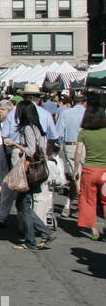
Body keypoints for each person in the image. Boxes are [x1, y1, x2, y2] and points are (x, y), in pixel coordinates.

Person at [4, 100, 57, 251]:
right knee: (24, 204)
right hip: (37, 170)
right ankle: (41, 234)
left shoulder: (28, 128)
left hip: (30, 171)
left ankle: (36, 237)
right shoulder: (36, 127)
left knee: (23, 205)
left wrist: (15, 145)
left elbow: (31, 151)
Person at [75, 92, 106, 240]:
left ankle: (94, 230)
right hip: (105, 171)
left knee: (89, 199)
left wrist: (76, 169)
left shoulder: (84, 133)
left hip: (89, 170)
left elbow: (78, 153)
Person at [57, 91, 87, 219]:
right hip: (86, 146)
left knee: (76, 178)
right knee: (80, 179)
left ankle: (74, 206)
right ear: (85, 103)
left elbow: (59, 133)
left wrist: (58, 147)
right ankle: (74, 206)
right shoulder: (88, 113)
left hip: (71, 146)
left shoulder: (65, 113)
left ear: (73, 102)